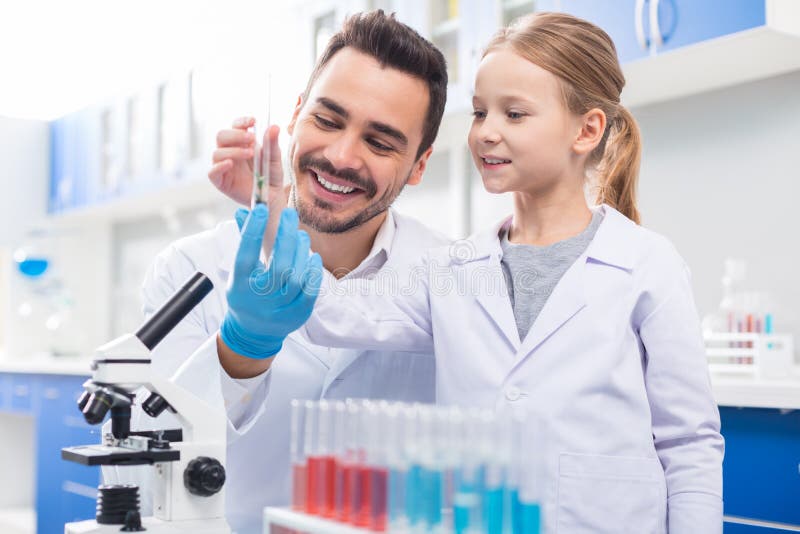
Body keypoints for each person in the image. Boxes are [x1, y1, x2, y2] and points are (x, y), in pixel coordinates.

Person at [232, 12, 724, 533]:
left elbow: (689, 441)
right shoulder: (451, 271)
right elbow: (336, 316)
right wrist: (272, 212)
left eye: (514, 115)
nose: (486, 133)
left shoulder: (646, 264)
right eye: (479, 113)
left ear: (587, 130)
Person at [104, 11, 450, 534]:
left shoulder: (451, 278)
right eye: (328, 120)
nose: (340, 156)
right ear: (295, 114)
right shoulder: (190, 269)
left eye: (380, 142)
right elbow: (140, 476)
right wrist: (240, 353)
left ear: (420, 164)